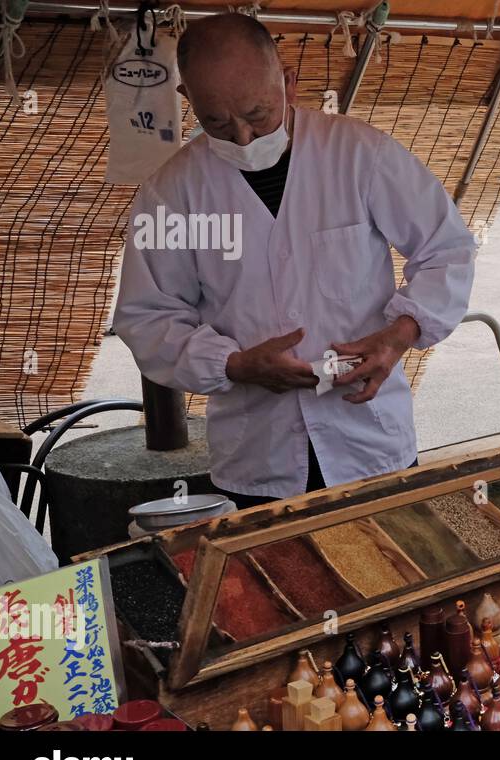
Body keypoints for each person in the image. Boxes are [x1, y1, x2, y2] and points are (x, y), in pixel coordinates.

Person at [113, 14, 477, 509]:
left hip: (369, 440)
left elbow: (447, 249)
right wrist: (235, 365)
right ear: (186, 98)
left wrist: (400, 335)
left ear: (288, 82)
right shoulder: (171, 193)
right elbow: (148, 317)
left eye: (258, 113)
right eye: (217, 122)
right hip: (255, 458)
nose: (242, 137)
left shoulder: (358, 155)